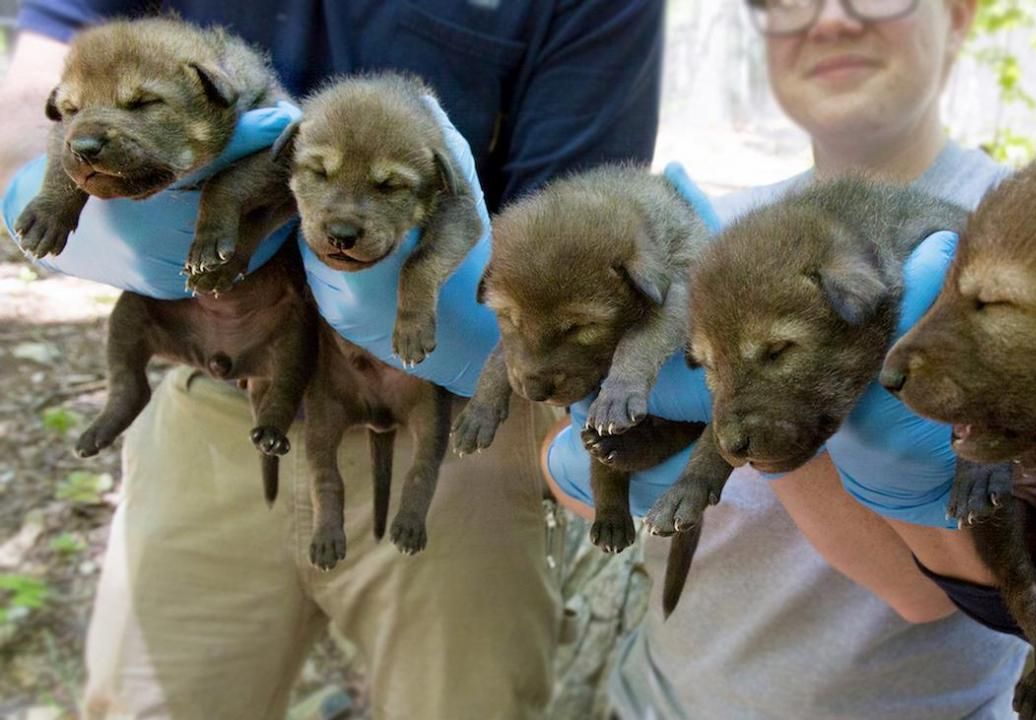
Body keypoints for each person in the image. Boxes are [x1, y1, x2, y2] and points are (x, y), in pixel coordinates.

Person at [0, 1, 663, 717]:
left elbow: (577, 225)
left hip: (445, 419)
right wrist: (47, 194)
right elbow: (32, 107)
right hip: (220, 395)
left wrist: (454, 316)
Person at [544, 1, 1033, 717]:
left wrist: (776, 450)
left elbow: (932, 593)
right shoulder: (718, 231)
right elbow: (575, 471)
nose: (829, 20)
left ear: (958, 14)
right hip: (660, 695)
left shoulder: (1010, 248)